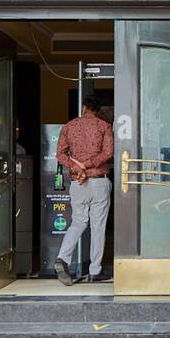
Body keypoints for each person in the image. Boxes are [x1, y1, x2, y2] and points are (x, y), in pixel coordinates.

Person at [54, 96, 114, 285]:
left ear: (84, 107)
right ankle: (95, 271)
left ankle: (62, 258)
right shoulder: (104, 127)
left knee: (78, 222)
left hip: (77, 183)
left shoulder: (69, 126)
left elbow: (60, 154)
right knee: (98, 226)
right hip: (98, 182)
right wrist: (87, 165)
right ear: (97, 110)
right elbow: (108, 153)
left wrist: (76, 167)